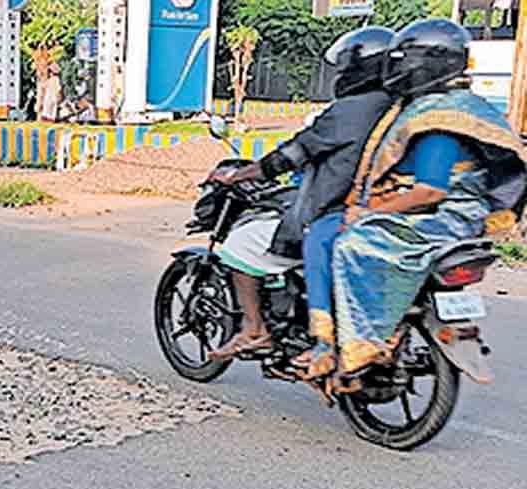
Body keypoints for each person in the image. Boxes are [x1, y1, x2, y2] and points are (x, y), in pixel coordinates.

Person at [320, 18, 527, 383]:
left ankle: (363, 341)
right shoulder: (463, 106)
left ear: (420, 66)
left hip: (441, 220)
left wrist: (368, 211)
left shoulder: (438, 120)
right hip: (463, 217)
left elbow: (429, 191)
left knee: (349, 245)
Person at [208, 26, 397, 360]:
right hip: (384, 213)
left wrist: (241, 173)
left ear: (357, 69)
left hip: (334, 210)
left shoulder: (350, 110)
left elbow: (294, 153)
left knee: (241, 244)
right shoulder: (398, 107)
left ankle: (254, 329)